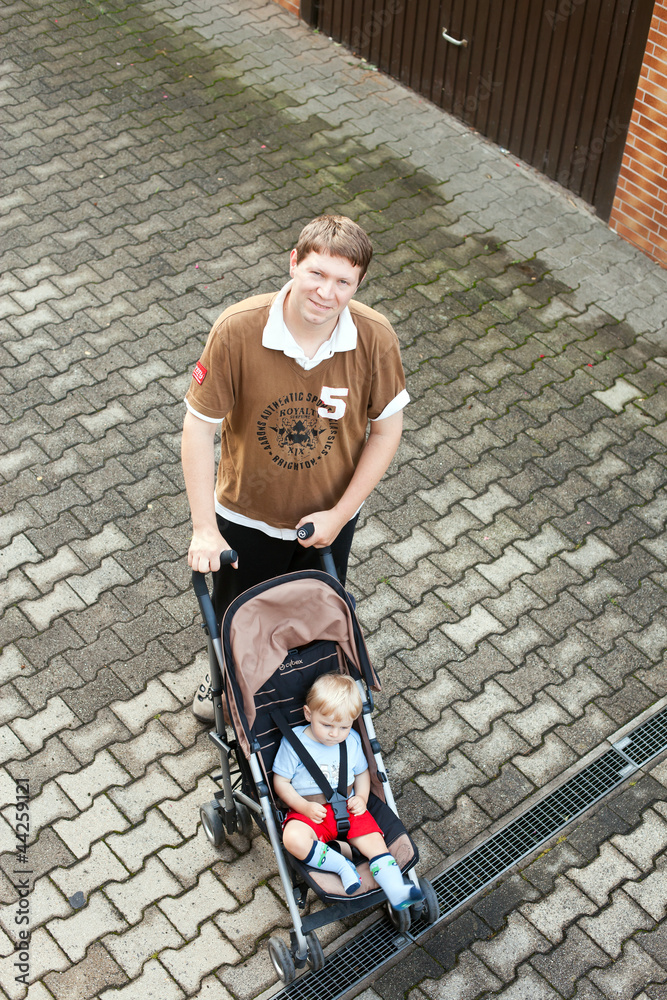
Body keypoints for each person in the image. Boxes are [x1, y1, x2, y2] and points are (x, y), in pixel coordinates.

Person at [182, 215, 409, 720]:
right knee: (235, 615)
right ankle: (220, 680)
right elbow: (198, 427)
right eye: (317, 274)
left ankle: (301, 697)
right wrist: (204, 530)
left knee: (314, 616)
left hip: (327, 522)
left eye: (343, 281)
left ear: (359, 283)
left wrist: (341, 513)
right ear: (294, 263)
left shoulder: (374, 338)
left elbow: (387, 430)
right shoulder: (238, 329)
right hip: (246, 518)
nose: (327, 292)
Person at [272, 673, 423, 908]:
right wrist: (303, 806)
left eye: (343, 726)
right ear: (308, 714)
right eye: (327, 725)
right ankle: (342, 866)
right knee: (292, 839)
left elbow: (362, 772)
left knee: (376, 843)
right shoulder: (293, 744)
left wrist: (362, 797)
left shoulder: (350, 741)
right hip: (309, 813)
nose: (335, 733)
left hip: (348, 807)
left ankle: (396, 888)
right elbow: (281, 782)